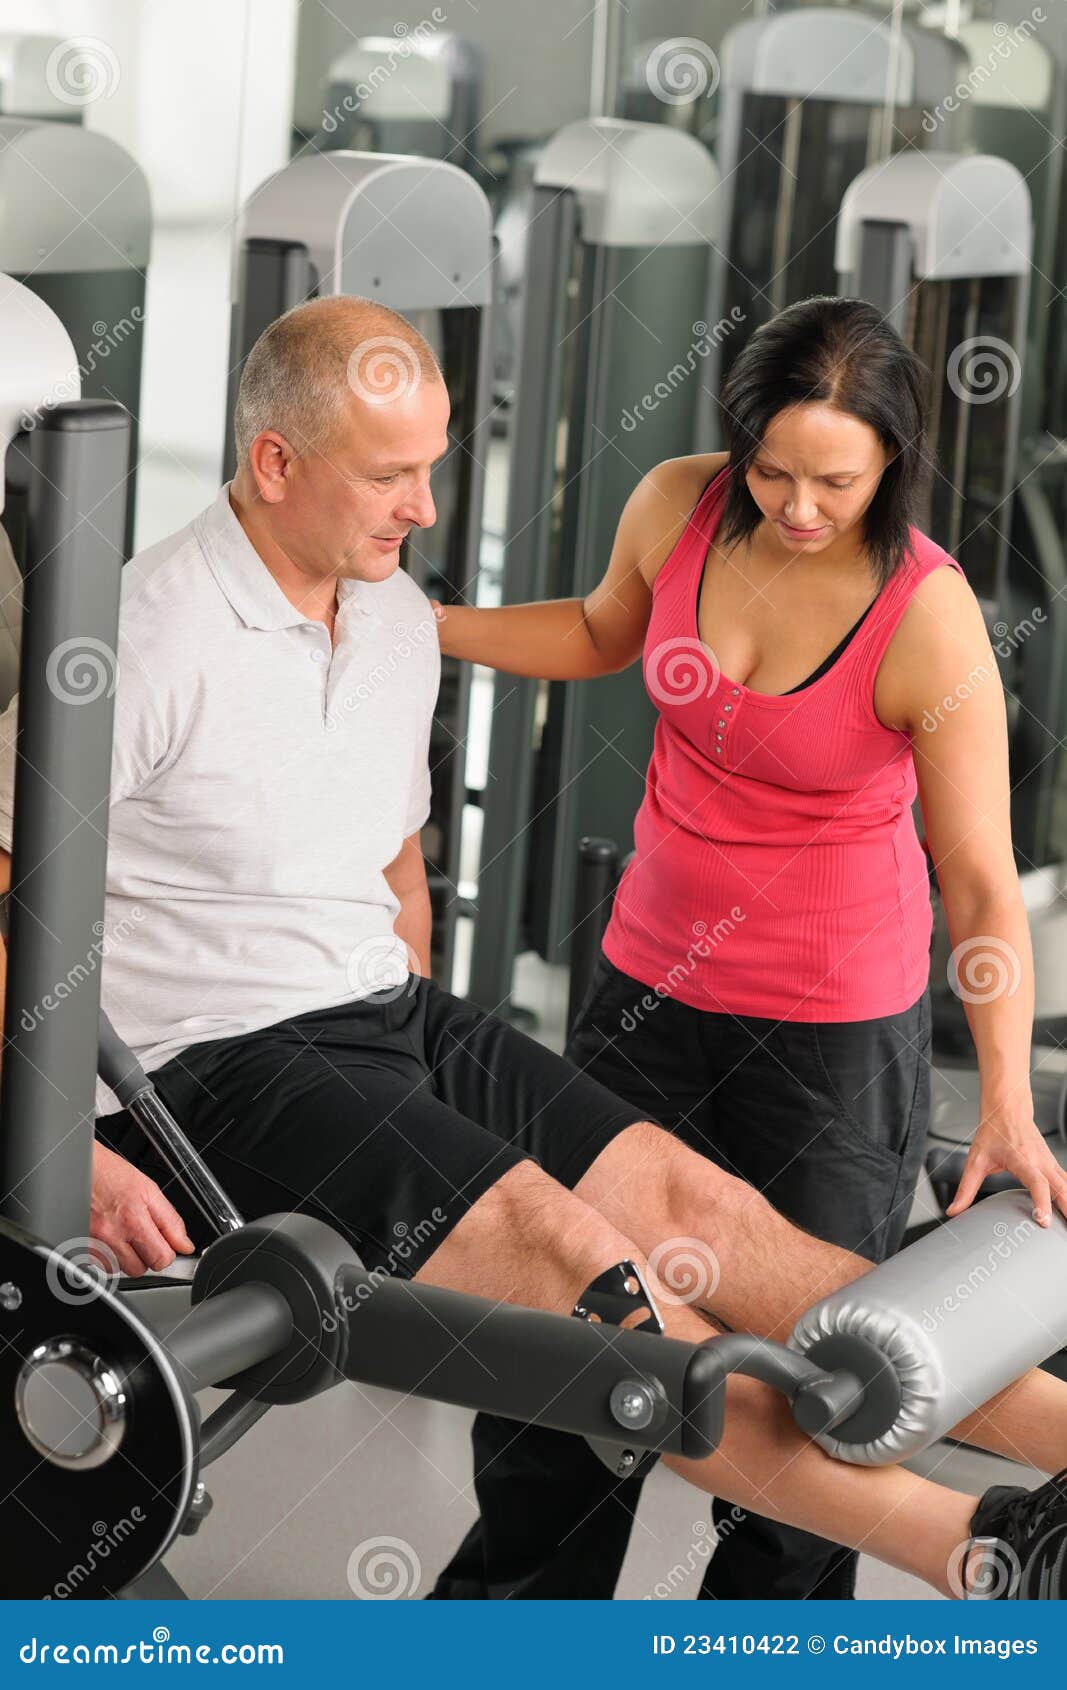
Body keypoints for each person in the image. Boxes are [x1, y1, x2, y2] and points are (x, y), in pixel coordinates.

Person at [0, 296, 1065, 1603]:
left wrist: (426, 1057)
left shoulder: (391, 617)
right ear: (274, 465)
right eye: (395, 474)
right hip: (214, 1060)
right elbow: (12, 899)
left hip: (388, 1013)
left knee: (705, 1212)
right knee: (592, 1278)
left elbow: (394, 862)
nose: (431, 507)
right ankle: (989, 1550)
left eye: (437, 467)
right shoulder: (147, 635)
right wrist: (75, 1145)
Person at [427, 294, 1067, 1600]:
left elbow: (984, 883)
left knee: (827, 1377)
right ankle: (511, 1631)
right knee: (576, 1340)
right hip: (643, 995)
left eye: (834, 478)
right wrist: (419, 626)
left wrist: (1005, 1093)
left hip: (831, 1037)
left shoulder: (927, 615)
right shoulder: (680, 504)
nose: (799, 505)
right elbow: (605, 630)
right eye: (773, 469)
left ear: (891, 457)